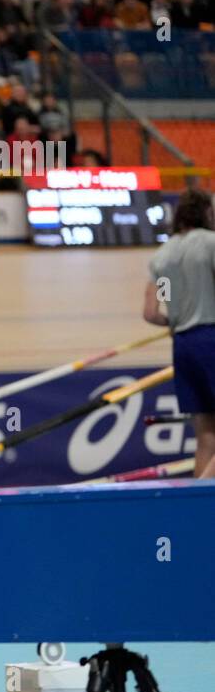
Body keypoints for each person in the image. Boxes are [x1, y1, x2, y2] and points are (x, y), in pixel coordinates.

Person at [143, 188, 215, 479]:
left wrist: (177, 319)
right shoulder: (210, 244)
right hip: (211, 339)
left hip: (183, 346)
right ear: (206, 213)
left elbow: (152, 312)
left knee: (206, 436)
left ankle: (198, 506)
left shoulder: (162, 257)